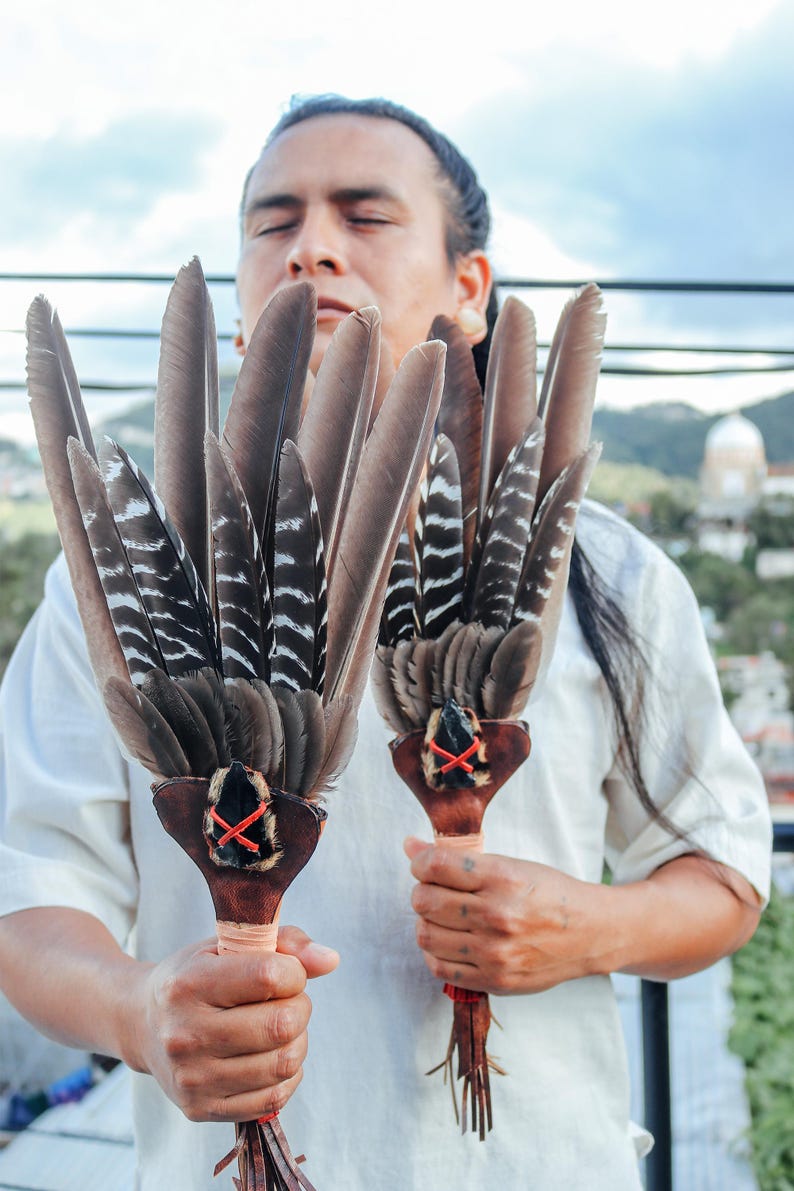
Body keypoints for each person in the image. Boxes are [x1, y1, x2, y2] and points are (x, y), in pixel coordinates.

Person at [0, 95, 771, 1190]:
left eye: (363, 216)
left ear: (469, 284)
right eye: (273, 223)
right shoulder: (109, 589)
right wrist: (136, 1008)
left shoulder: (610, 570)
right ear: (235, 307)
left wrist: (587, 927)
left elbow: (723, 871)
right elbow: (30, 895)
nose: (309, 245)